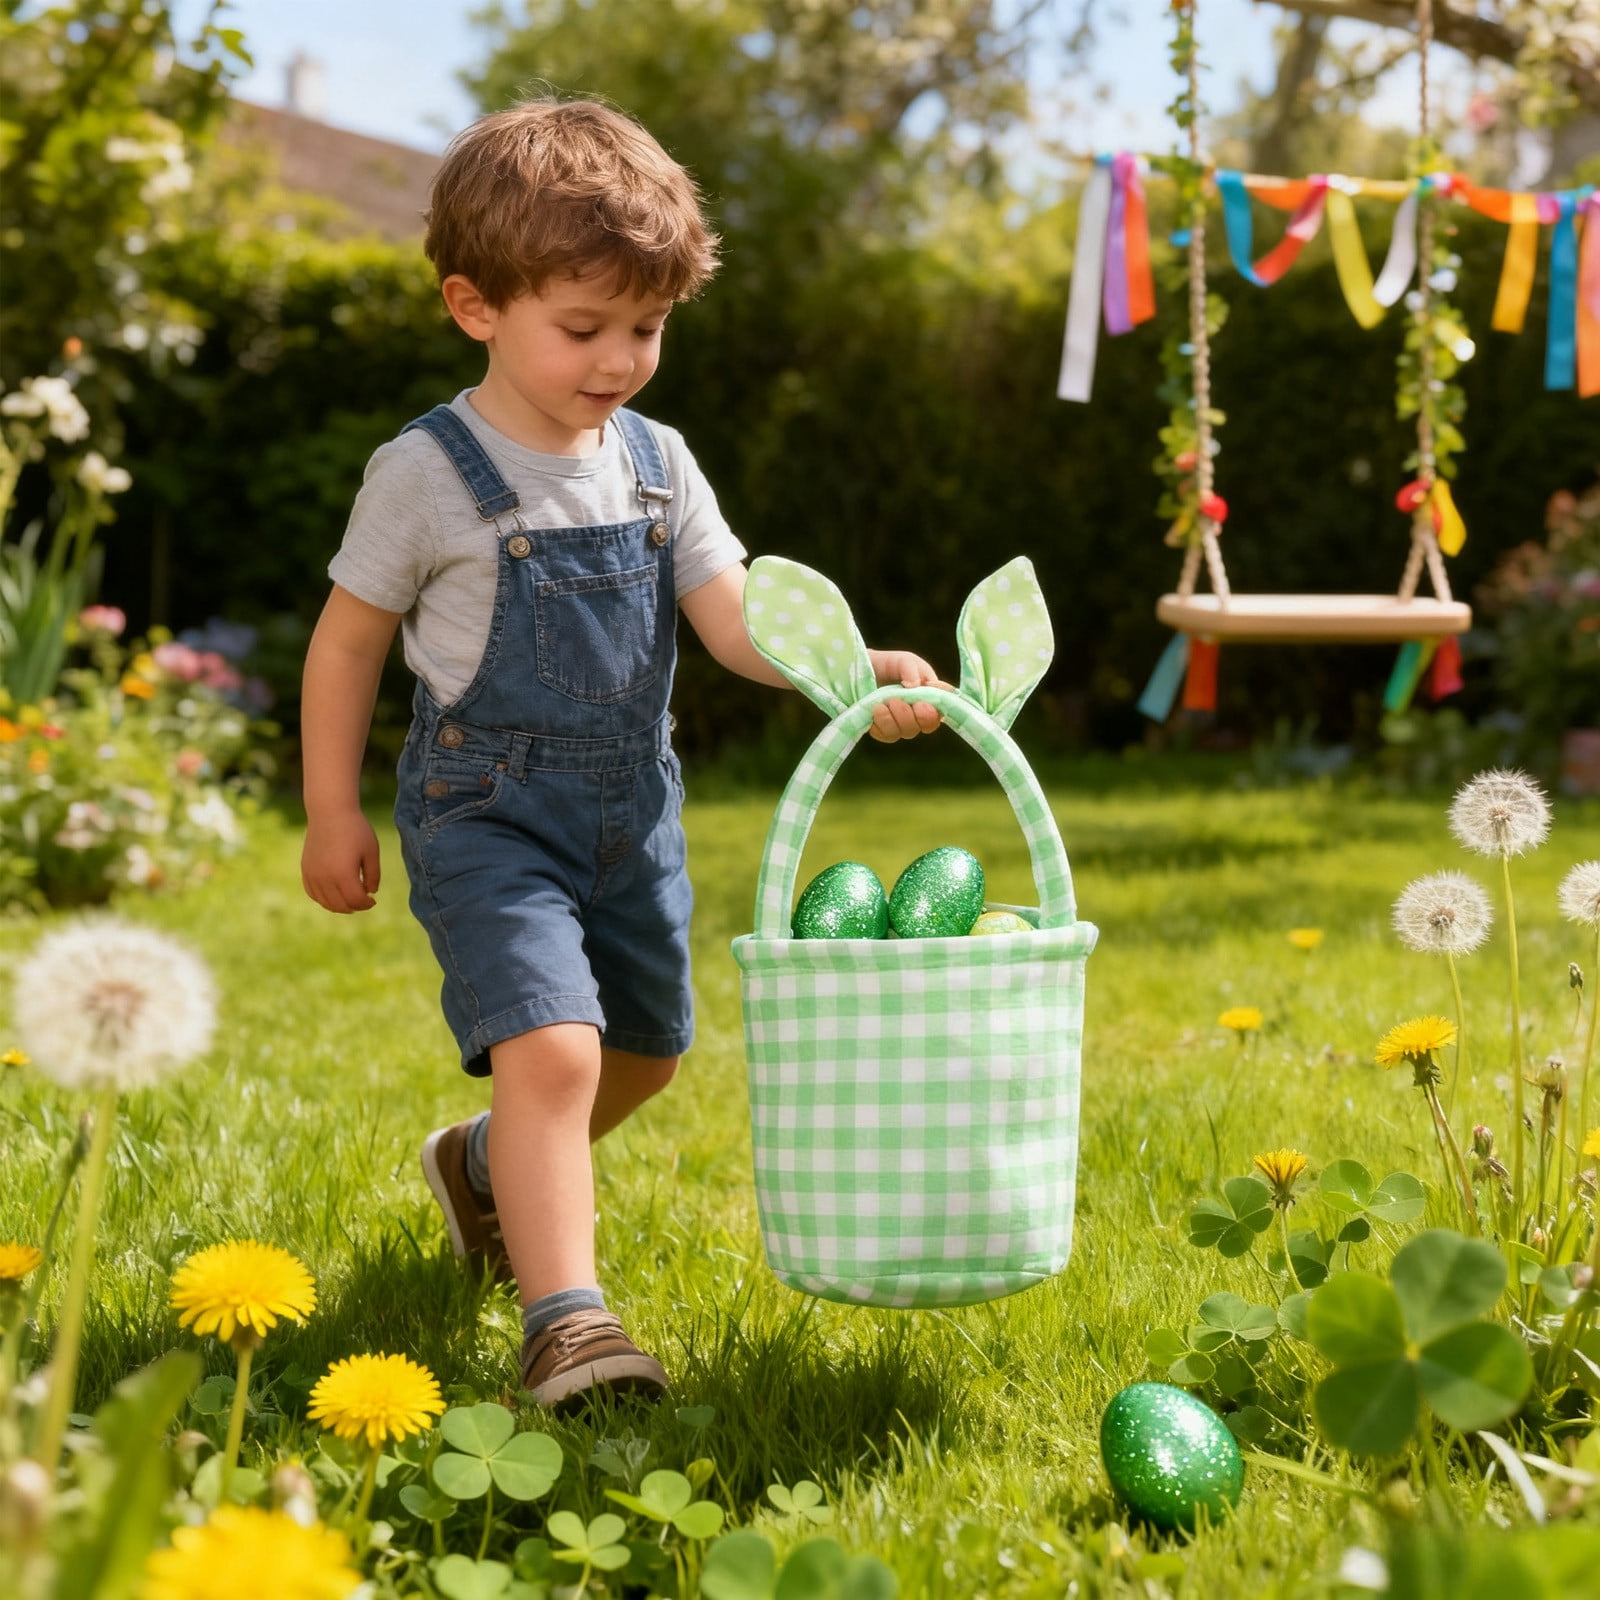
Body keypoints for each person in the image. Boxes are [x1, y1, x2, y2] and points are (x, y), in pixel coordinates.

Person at [299, 99, 943, 1409]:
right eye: (584, 327)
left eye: (645, 329)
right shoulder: (426, 472)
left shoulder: (658, 462)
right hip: (484, 812)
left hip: (630, 815)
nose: (619, 360)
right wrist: (330, 809)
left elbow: (734, 622)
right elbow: (346, 644)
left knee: (646, 1052)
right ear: (476, 307)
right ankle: (569, 1326)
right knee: (557, 1051)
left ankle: (486, 1168)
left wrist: (848, 668)